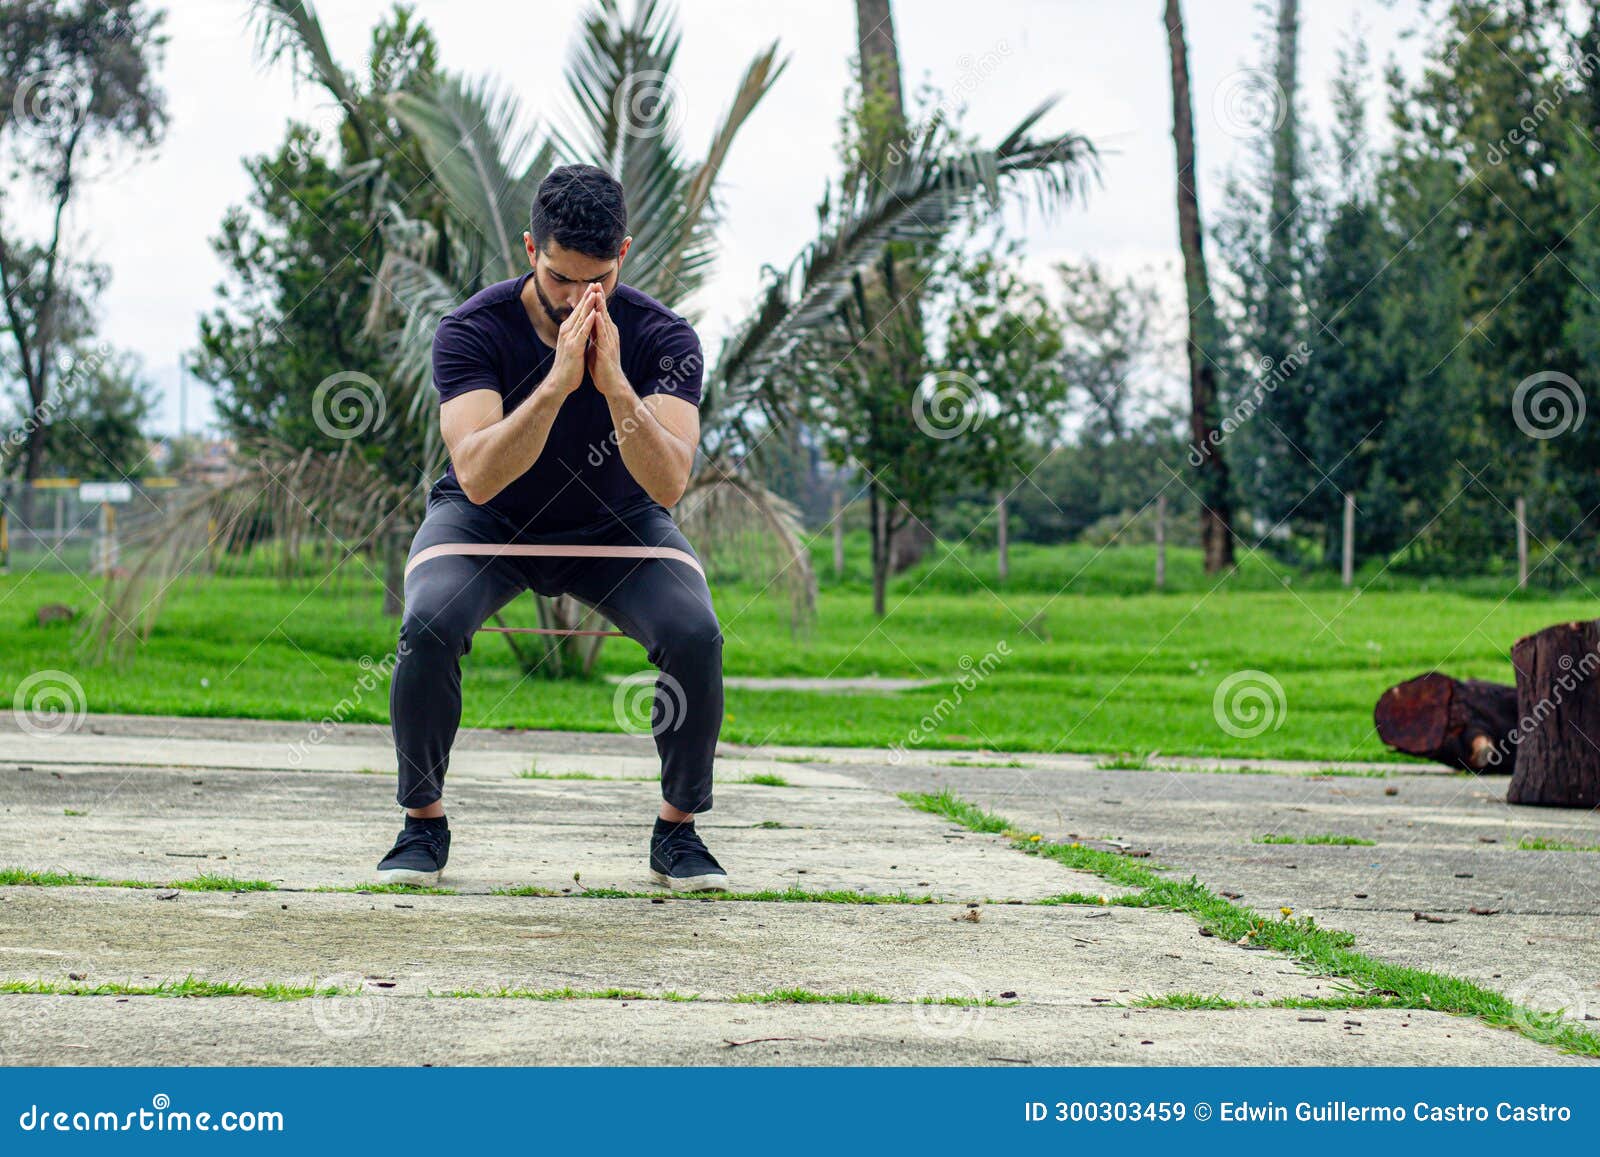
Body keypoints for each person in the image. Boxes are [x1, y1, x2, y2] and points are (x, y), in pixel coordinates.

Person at [375, 163, 727, 892]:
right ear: (531, 249)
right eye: (561, 278)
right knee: (429, 621)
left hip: (617, 522)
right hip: (489, 518)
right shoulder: (472, 329)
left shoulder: (665, 338)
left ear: (623, 254)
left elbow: (668, 482)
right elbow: (476, 471)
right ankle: (423, 823)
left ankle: (678, 831)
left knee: (695, 632)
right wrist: (557, 384)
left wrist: (613, 384)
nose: (577, 299)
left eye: (596, 280)